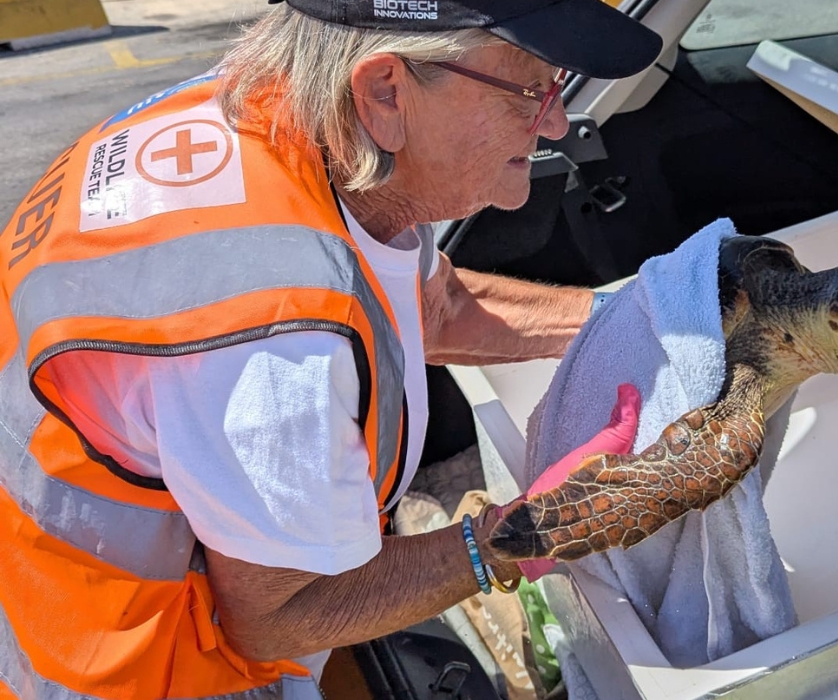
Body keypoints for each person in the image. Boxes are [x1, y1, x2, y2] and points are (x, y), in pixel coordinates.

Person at [0, 0, 661, 696]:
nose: (555, 122)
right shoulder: (274, 344)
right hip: (137, 668)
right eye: (530, 90)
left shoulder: (273, 117)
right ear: (385, 93)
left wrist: (641, 316)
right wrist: (525, 533)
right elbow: (279, 614)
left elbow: (436, 307)